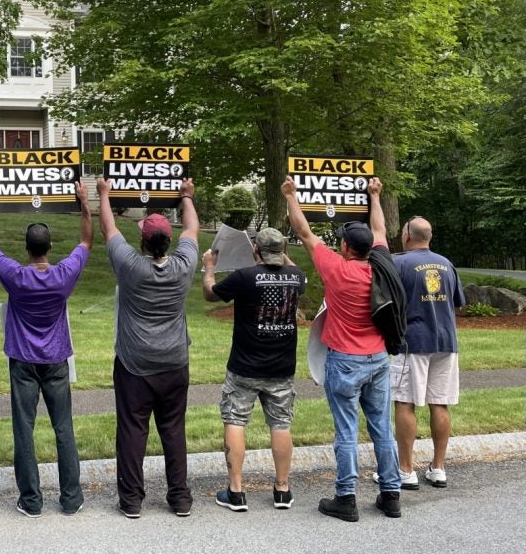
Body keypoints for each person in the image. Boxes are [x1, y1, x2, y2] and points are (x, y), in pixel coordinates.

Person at [281, 176, 402, 521]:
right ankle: (391, 495)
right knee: (382, 427)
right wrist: (375, 196)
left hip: (345, 361)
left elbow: (304, 232)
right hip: (378, 358)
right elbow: (379, 229)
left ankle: (346, 498)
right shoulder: (381, 264)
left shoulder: (335, 268)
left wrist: (291, 196)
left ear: (346, 247)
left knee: (346, 430)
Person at [0, 181, 92, 517]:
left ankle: (31, 500)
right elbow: (86, 241)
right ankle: (71, 498)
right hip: (56, 360)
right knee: (63, 428)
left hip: (22, 362)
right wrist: (85, 202)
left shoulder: (16, 276)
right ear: (50, 247)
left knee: (24, 429)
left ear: (26, 249)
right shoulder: (63, 275)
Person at [97, 177, 199, 518]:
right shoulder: (183, 266)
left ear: (141, 241)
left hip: (134, 365)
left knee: (132, 430)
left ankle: (131, 501)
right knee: (173, 430)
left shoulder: (130, 266)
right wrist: (186, 197)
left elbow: (109, 229)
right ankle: (180, 498)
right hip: (174, 363)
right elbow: (192, 229)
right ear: (168, 241)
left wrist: (104, 194)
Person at [202, 228, 307, 512]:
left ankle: (236, 491)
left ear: (256, 250)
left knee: (235, 420)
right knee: (281, 424)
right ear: (282, 250)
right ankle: (282, 490)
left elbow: (211, 294)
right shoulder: (296, 277)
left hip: (244, 366)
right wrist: (282, 252)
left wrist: (209, 267)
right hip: (282, 367)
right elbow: (295, 271)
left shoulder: (245, 276)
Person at [390, 215, 465, 489]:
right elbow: (457, 303)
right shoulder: (446, 264)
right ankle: (438, 468)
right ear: (429, 237)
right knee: (440, 403)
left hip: (413, 342)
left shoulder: (398, 263)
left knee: (405, 402)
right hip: (446, 341)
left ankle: (405, 470)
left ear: (407, 236)